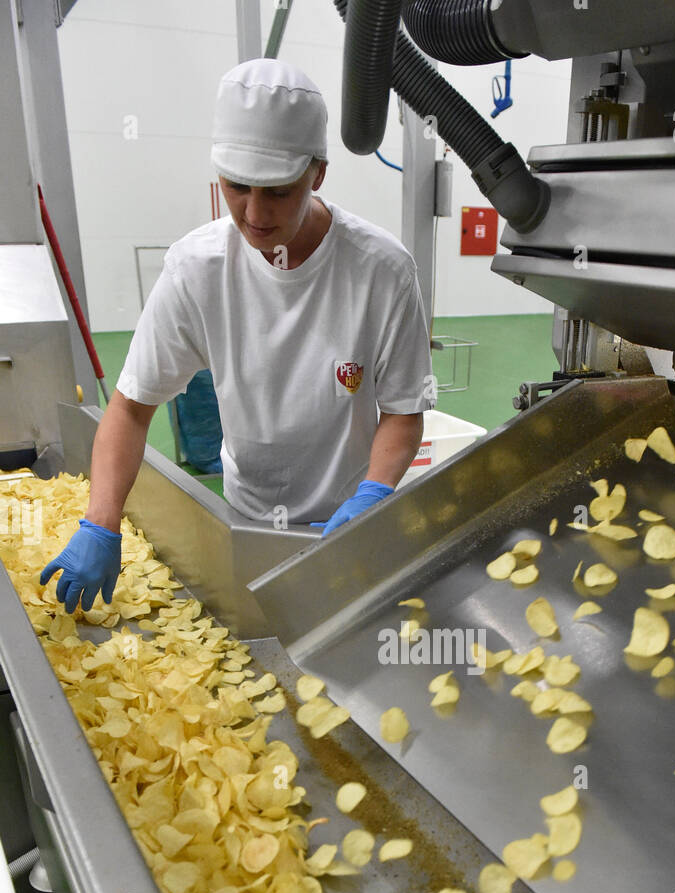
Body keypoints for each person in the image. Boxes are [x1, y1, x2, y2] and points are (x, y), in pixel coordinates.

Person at [41, 59, 433, 613]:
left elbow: (402, 410)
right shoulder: (197, 269)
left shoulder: (381, 271)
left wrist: (374, 493)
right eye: (237, 187)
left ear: (317, 173)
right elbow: (130, 409)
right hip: (246, 520)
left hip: (349, 522)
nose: (254, 213)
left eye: (277, 191)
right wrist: (101, 522)